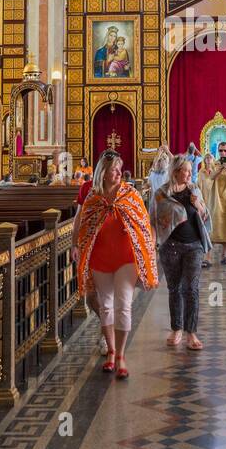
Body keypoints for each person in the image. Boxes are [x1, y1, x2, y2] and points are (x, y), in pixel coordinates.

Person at [73, 151, 157, 379]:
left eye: (120, 168)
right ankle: (110, 350)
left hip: (126, 259)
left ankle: (120, 355)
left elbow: (142, 223)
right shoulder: (93, 197)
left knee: (124, 305)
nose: (119, 173)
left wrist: (147, 251)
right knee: (105, 306)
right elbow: (83, 226)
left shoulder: (130, 194)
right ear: (103, 171)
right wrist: (77, 246)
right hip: (101, 258)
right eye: (114, 169)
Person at [152, 155, 210, 351]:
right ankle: (176, 328)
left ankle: (191, 332)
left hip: (194, 245)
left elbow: (205, 215)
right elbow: (153, 219)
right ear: (175, 172)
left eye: (189, 170)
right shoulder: (161, 194)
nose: (189, 173)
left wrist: (198, 205)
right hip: (170, 246)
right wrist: (153, 245)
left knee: (191, 289)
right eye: (185, 170)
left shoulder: (194, 190)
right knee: (174, 288)